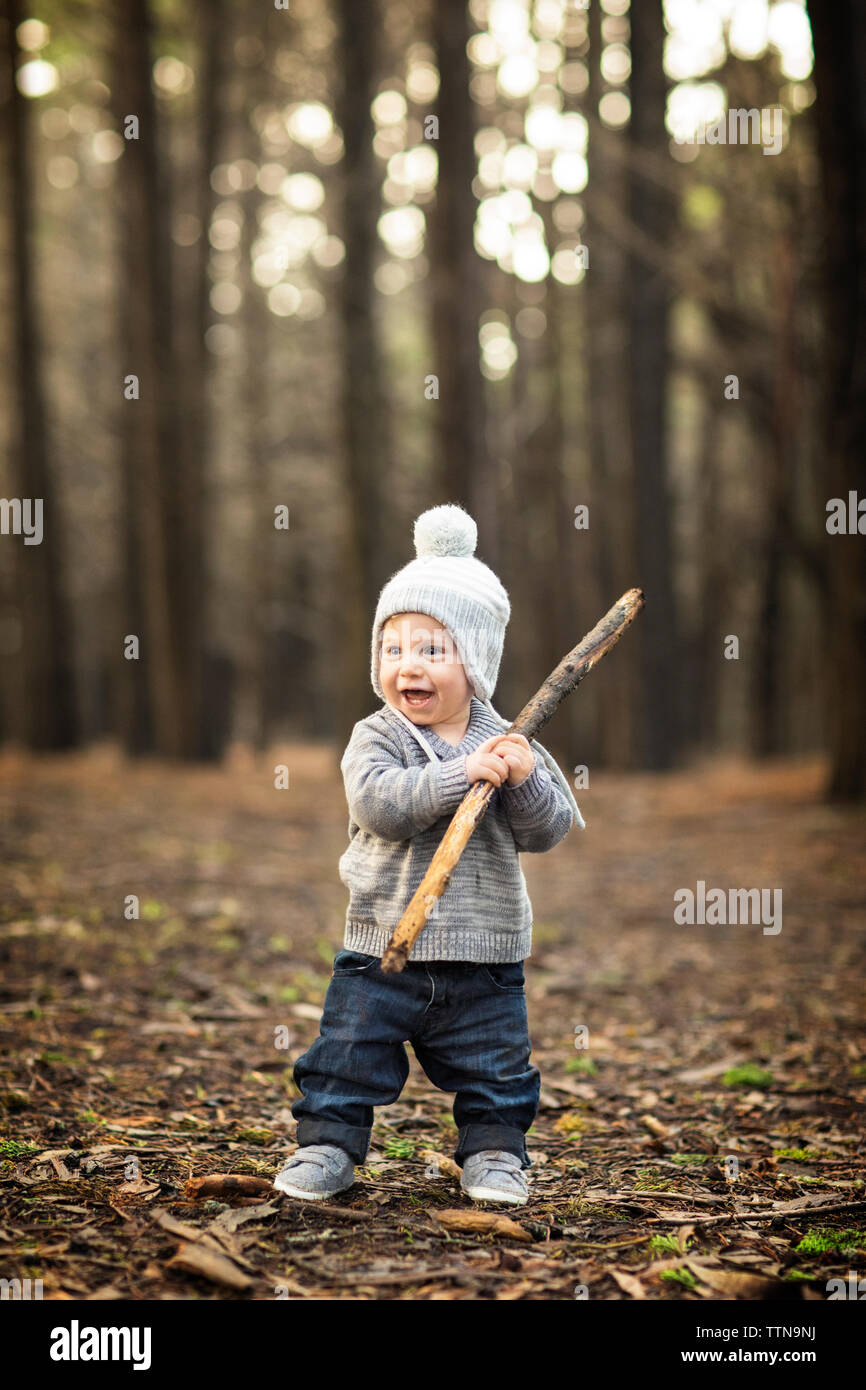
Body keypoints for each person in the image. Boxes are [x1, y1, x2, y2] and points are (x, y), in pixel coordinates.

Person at [273, 503, 585, 1205]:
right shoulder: (376, 736)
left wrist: (524, 778)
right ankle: (327, 1145)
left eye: (432, 651)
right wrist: (459, 775)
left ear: (475, 661)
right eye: (393, 649)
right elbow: (378, 806)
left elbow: (548, 830)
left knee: (498, 1071)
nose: (407, 666)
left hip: (486, 954)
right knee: (344, 1060)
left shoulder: (509, 740)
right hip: (379, 946)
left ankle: (497, 1153)